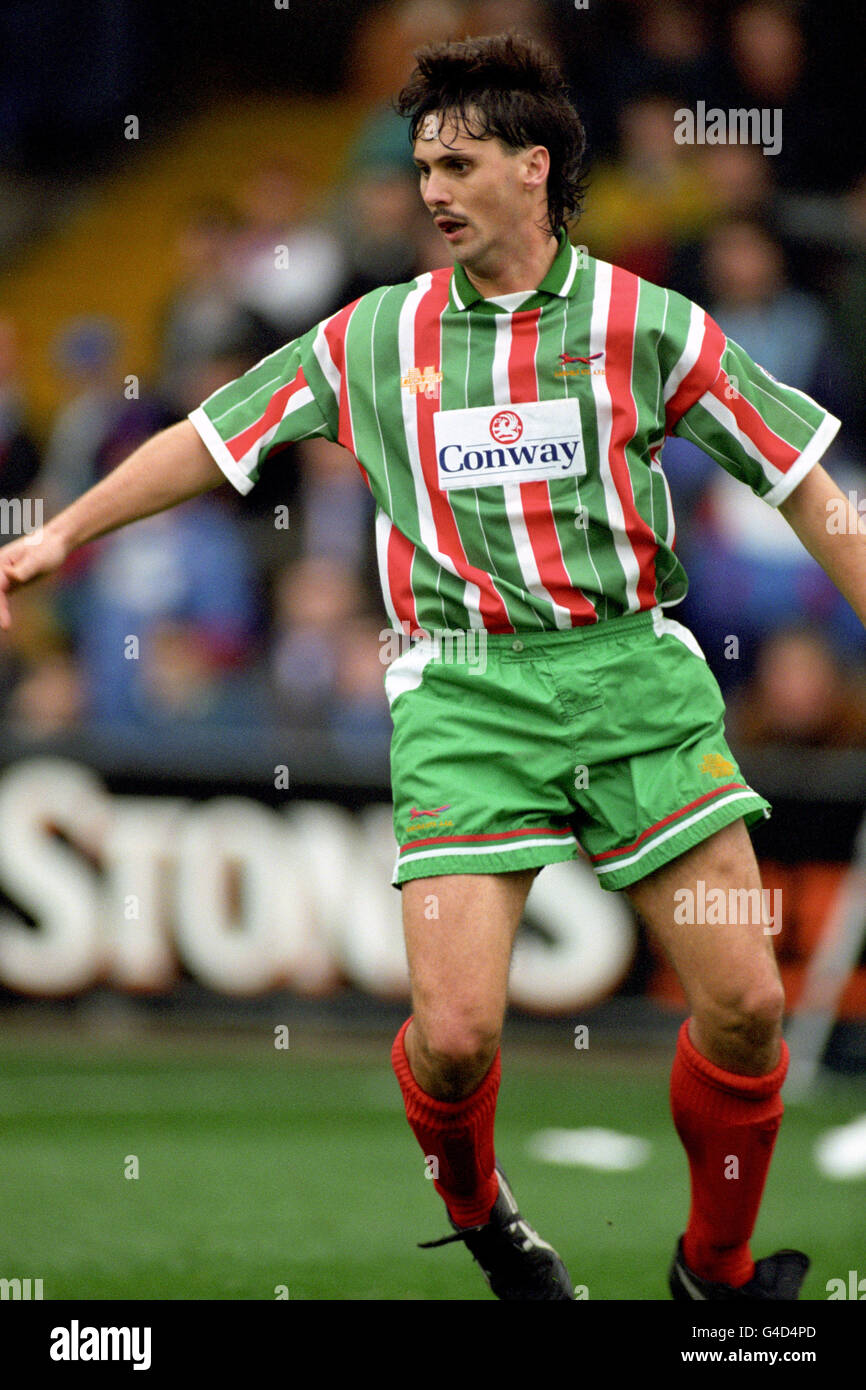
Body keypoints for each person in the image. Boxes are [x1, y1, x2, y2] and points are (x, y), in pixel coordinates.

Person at [1, 34, 863, 1302]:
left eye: (458, 163)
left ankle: (712, 1273)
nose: (433, 190)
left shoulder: (646, 323)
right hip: (462, 695)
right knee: (454, 1039)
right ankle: (486, 1219)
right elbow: (212, 433)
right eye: (421, 166)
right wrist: (61, 532)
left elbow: (806, 486)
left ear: (534, 167)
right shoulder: (374, 336)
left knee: (742, 1006)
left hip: (633, 680)